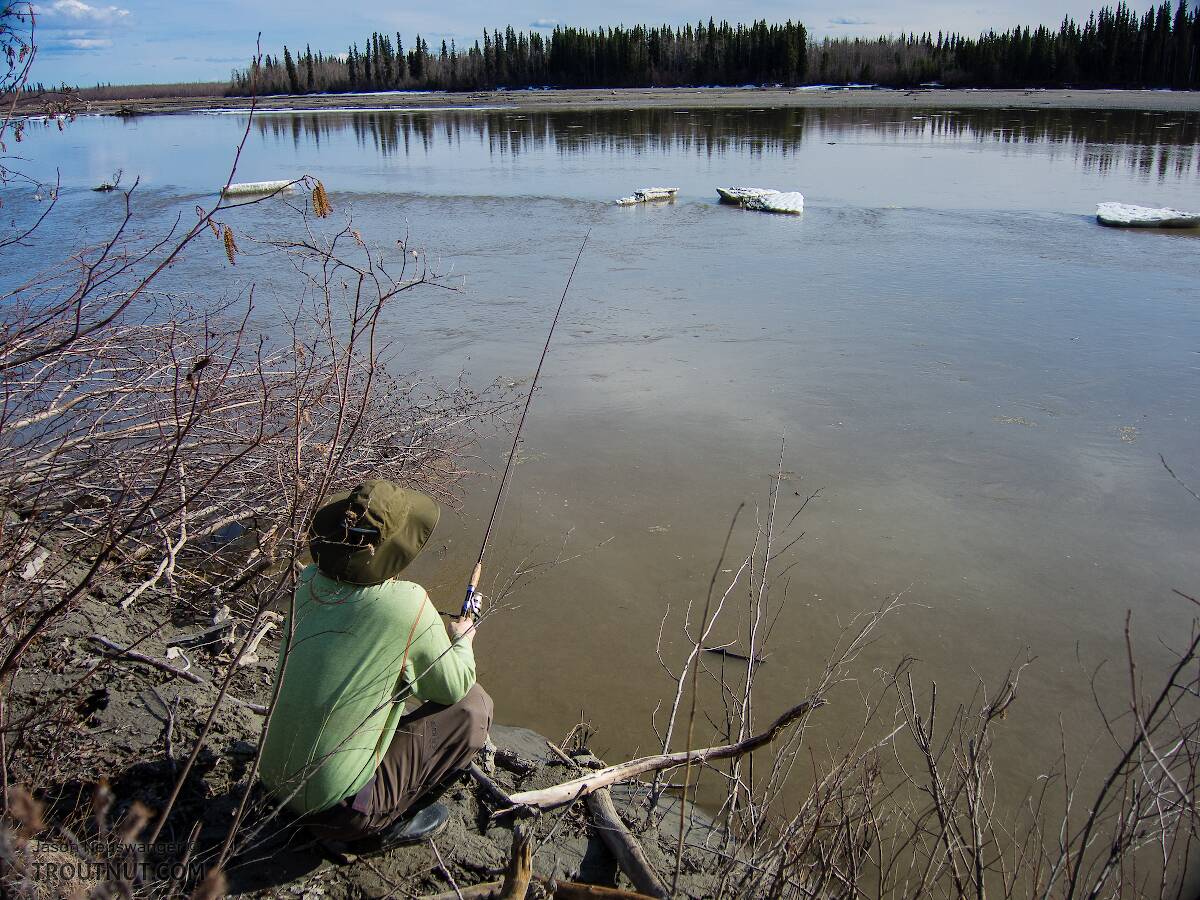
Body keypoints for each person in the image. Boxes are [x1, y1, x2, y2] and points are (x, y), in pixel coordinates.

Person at [259, 480, 493, 850]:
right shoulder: (406, 605)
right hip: (335, 813)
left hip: (270, 782)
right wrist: (463, 639)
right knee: (474, 706)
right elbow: (453, 686)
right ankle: (382, 824)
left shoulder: (307, 581)